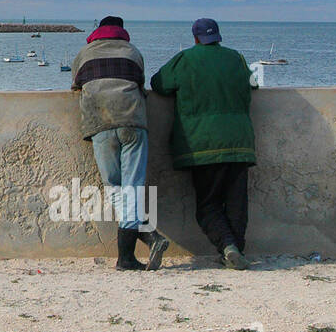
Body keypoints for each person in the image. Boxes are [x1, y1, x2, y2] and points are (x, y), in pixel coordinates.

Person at [150, 18, 258, 270]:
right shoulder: (237, 59)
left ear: (196, 38)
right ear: (218, 36)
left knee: (208, 205)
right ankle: (235, 251)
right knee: (236, 203)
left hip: (203, 144)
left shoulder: (184, 59)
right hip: (239, 142)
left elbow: (159, 84)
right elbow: (253, 85)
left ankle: (228, 247)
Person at [71, 15, 170, 271]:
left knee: (113, 187)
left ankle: (139, 247)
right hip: (132, 122)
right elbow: (140, 84)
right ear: (121, 33)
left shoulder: (84, 54)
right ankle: (142, 244)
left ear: (98, 32)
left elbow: (76, 86)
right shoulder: (133, 52)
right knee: (132, 188)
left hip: (100, 124)